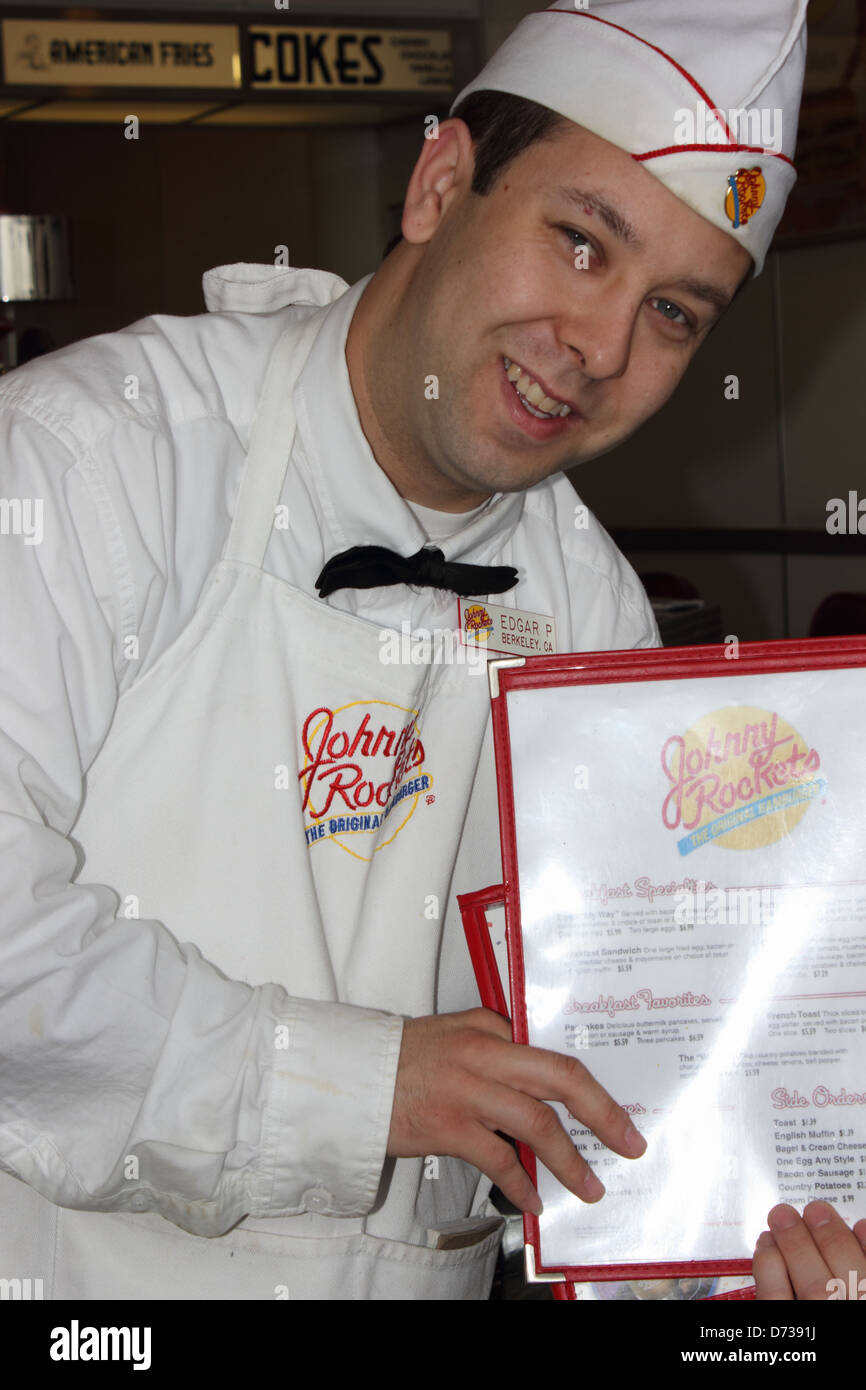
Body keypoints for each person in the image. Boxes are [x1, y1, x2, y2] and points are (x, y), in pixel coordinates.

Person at [0, 0, 813, 1300]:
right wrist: (369, 1081)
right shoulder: (90, 459)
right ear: (439, 183)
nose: (597, 349)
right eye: (579, 243)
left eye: (672, 313)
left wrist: (728, 1270)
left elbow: (616, 1060)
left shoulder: (590, 607)